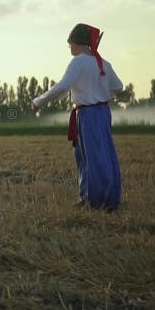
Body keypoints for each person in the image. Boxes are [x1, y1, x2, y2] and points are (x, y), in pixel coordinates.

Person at [32, 23, 123, 211]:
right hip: (102, 113)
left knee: (93, 157)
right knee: (90, 155)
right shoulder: (104, 63)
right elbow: (118, 87)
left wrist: (39, 101)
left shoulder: (79, 62)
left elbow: (63, 86)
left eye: (70, 44)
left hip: (88, 114)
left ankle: (98, 201)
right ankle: (90, 196)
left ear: (78, 43)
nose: (69, 48)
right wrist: (100, 89)